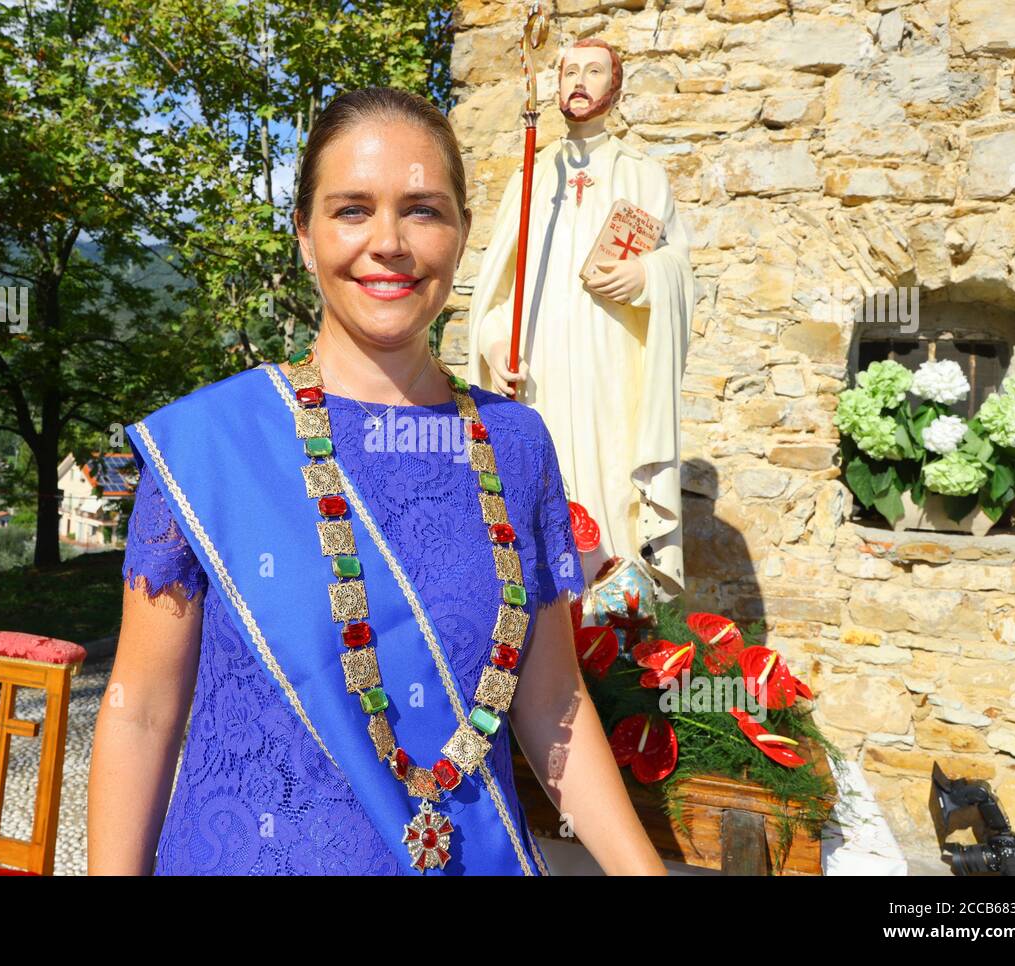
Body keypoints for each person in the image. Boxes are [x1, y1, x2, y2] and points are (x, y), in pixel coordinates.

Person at [87, 86, 666, 876]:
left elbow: (551, 700)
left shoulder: (516, 445)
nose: (388, 242)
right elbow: (142, 710)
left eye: (423, 210)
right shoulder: (209, 447)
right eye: (352, 209)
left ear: (461, 235)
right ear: (304, 235)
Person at [466, 38, 695, 599]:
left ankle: (615, 637)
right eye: (569, 70)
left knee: (612, 484)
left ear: (614, 88)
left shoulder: (643, 175)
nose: (579, 80)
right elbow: (497, 291)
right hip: (539, 374)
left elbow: (679, 270)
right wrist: (497, 348)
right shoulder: (533, 175)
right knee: (532, 495)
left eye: (594, 71)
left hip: (610, 371)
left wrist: (647, 278)